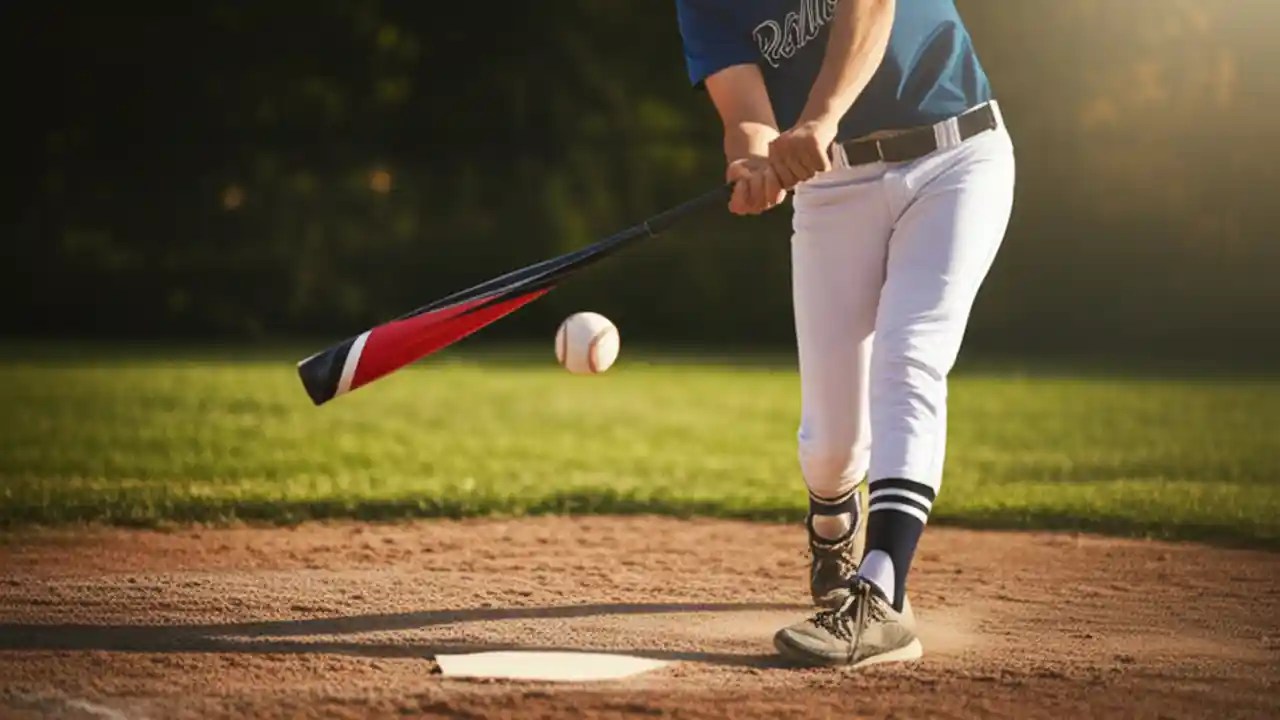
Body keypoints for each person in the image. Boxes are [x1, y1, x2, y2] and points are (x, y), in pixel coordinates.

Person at [674, 0, 1016, 668]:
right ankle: (834, 527)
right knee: (830, 449)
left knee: (909, 353)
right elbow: (745, 110)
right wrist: (750, 162)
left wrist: (817, 119)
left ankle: (883, 592)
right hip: (834, 187)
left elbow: (873, 8)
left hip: (958, 158)